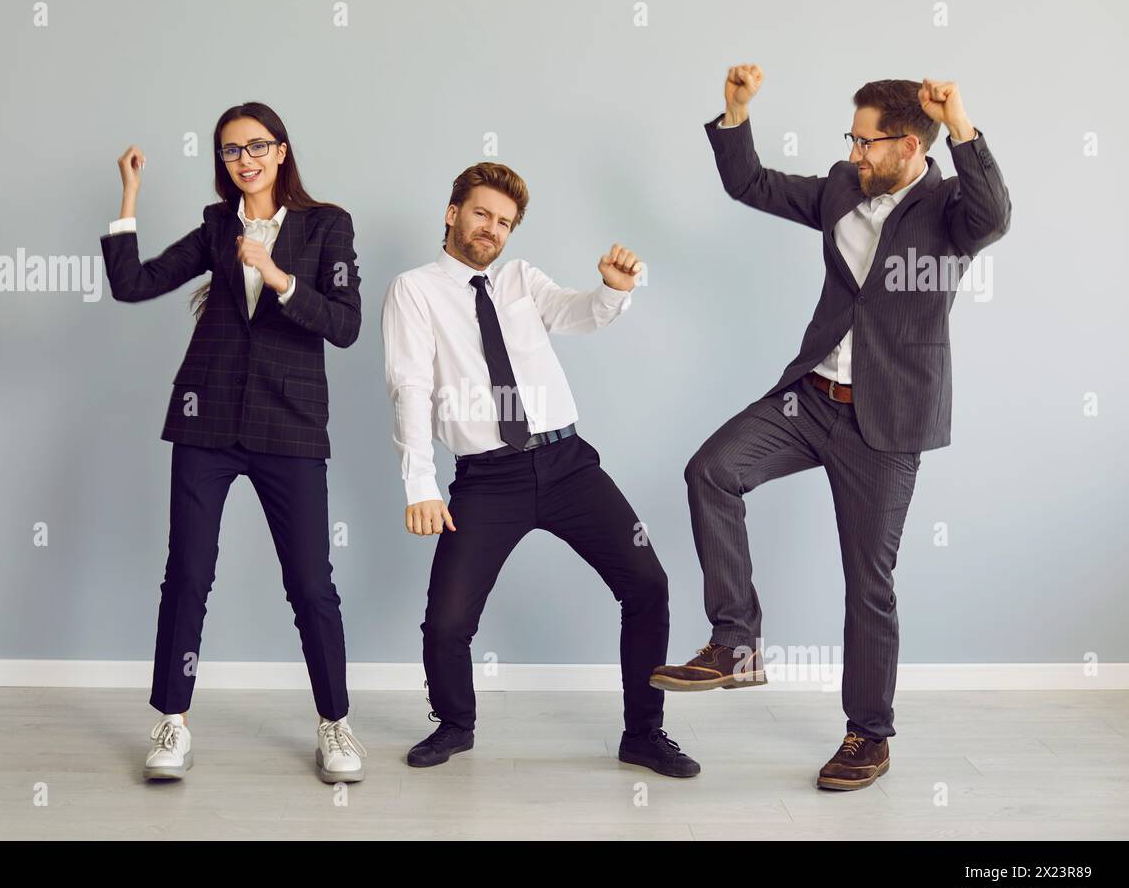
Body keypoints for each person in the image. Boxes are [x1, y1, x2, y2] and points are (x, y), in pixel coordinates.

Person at [652, 66, 1012, 790]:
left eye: (866, 140)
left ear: (908, 146)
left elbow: (995, 213)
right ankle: (735, 643)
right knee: (711, 471)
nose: (853, 152)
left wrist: (964, 123)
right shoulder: (842, 189)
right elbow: (749, 183)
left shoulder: (949, 210)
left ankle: (867, 736)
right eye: (849, 137)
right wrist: (735, 112)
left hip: (887, 421)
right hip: (809, 399)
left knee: (868, 583)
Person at [381, 162, 700, 778]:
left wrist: (611, 290)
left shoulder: (521, 280)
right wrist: (420, 486)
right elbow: (410, 388)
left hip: (568, 464)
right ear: (452, 213)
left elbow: (580, 314)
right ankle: (454, 724)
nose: (491, 230)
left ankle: (643, 734)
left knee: (648, 585)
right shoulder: (414, 290)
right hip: (486, 479)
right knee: (446, 621)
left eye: (504, 222)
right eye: (481, 214)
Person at [99, 102, 366, 784]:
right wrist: (129, 198)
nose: (243, 159)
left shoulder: (327, 225)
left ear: (281, 151)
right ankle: (173, 722)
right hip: (207, 422)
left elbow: (343, 325)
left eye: (255, 146)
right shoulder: (218, 226)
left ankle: (335, 724)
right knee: (187, 573)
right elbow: (133, 284)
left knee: (311, 583)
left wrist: (276, 275)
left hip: (291, 424)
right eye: (229, 150)